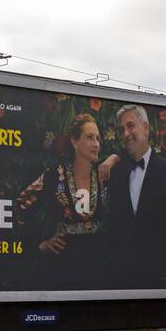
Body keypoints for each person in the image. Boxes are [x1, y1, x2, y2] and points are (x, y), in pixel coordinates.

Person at [16, 113, 109, 289]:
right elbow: (20, 206)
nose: (96, 144)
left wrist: (114, 158)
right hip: (62, 269)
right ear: (74, 141)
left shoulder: (104, 176)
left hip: (99, 269)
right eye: (90, 138)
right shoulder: (53, 177)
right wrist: (40, 244)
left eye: (98, 138)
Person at [105, 103, 166, 288]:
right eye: (121, 129)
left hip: (160, 278)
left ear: (146, 128)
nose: (126, 133)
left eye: (130, 125)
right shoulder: (116, 171)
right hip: (122, 279)